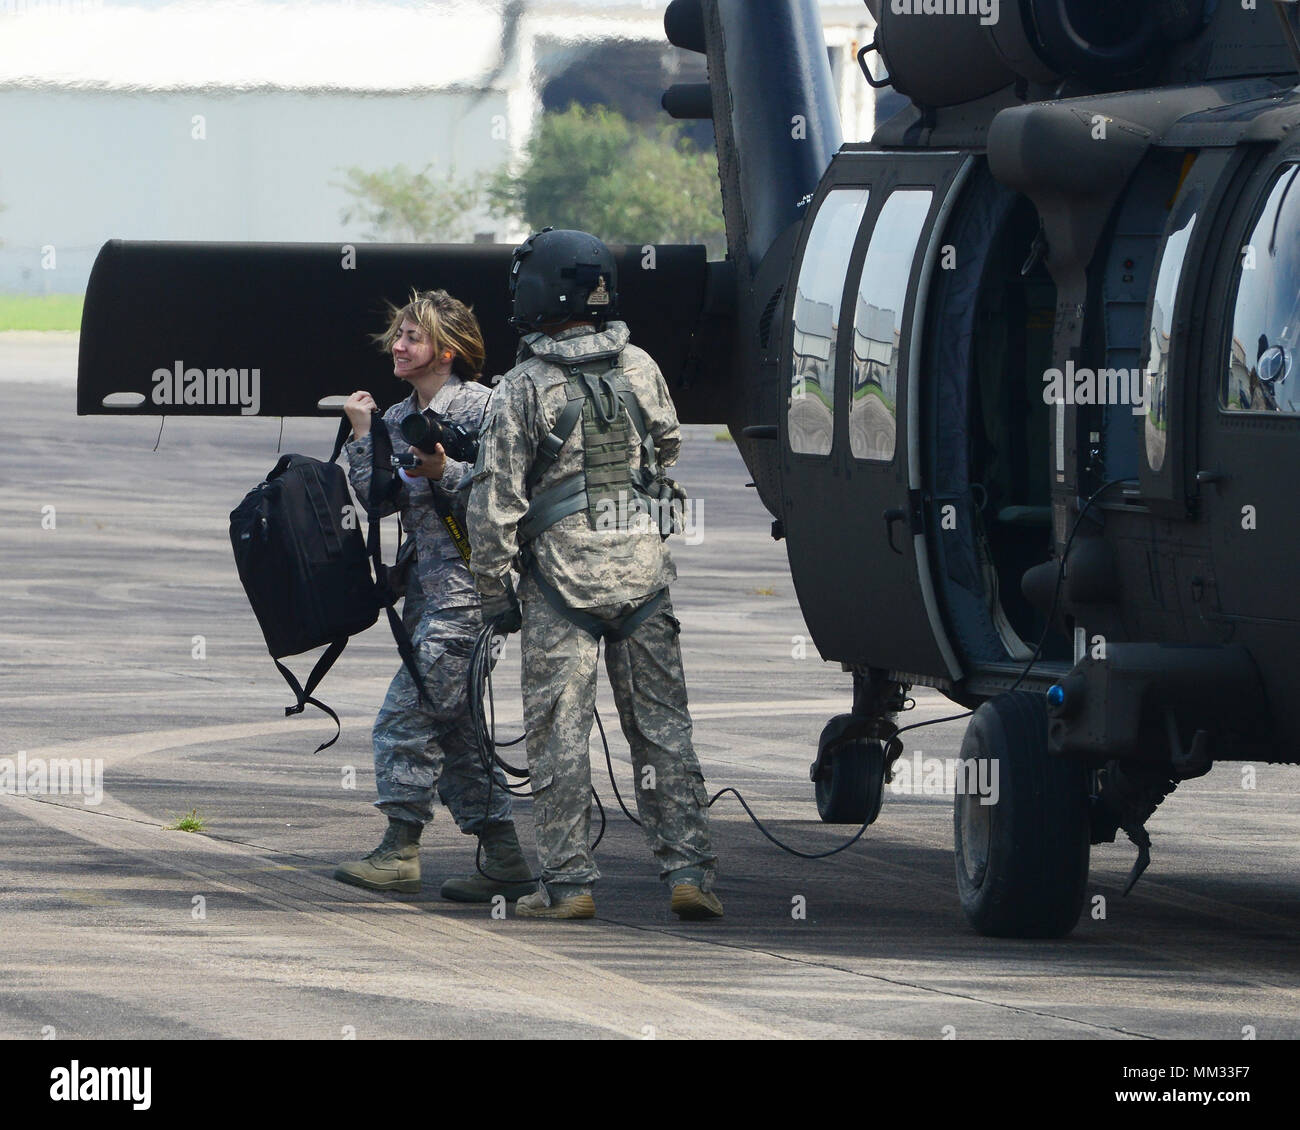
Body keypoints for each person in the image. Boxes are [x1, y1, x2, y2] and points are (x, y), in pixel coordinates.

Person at [466, 229, 722, 921]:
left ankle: (571, 885)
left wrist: (494, 594)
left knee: (560, 733)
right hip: (642, 575)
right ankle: (689, 872)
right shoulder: (640, 365)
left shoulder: (522, 387)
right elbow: (665, 444)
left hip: (560, 583)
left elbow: (495, 503)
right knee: (664, 730)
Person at [333, 288, 533, 903]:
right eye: (396, 334)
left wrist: (447, 471)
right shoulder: (395, 419)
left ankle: (400, 848)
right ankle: (503, 857)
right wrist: (366, 434)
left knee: (403, 718)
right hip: (426, 595)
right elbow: (379, 501)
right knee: (456, 736)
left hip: (471, 596)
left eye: (412, 337)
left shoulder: (487, 410)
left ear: (447, 351)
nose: (398, 345)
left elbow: (514, 492)